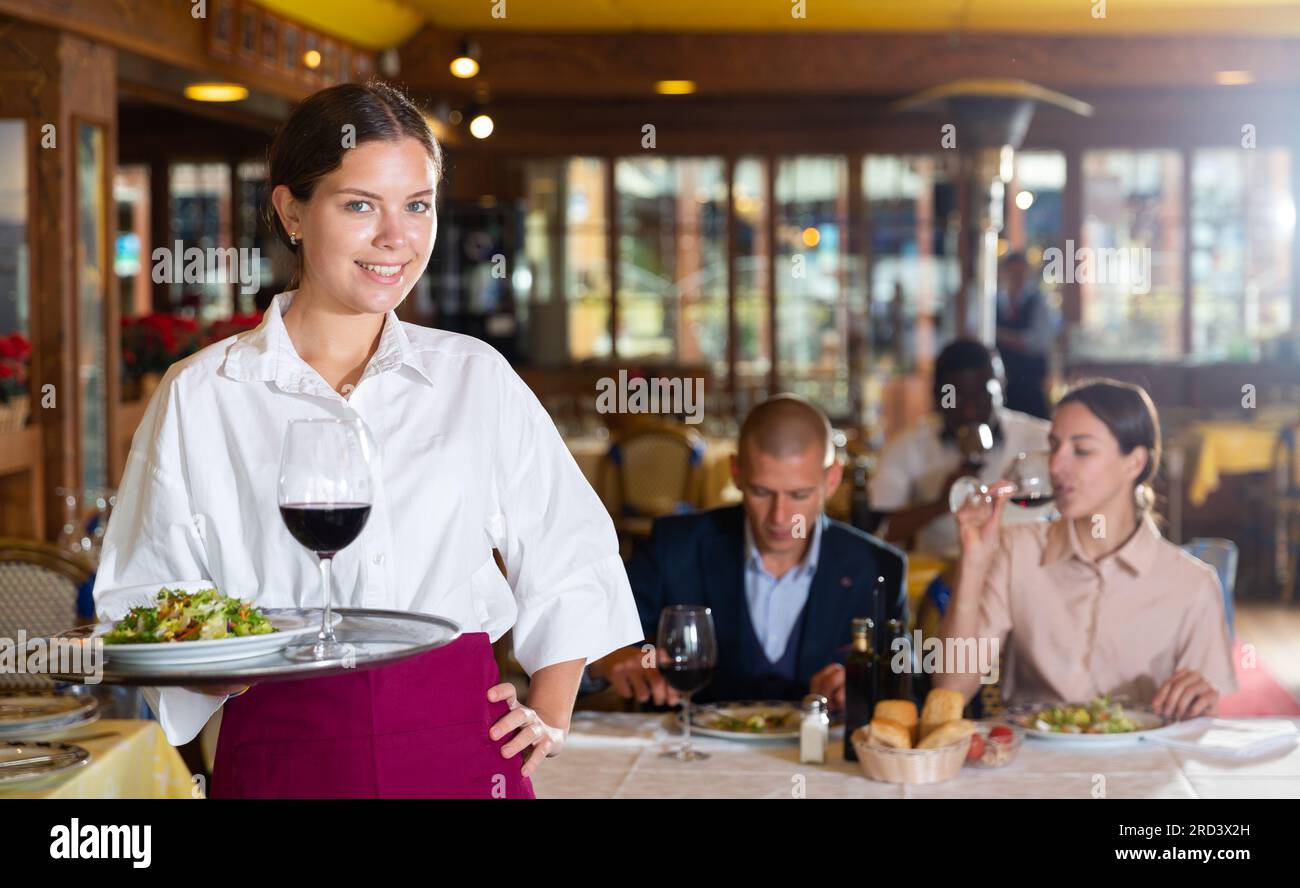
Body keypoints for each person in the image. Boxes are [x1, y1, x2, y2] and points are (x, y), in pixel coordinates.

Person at [92, 82, 643, 798]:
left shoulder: (474, 377)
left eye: (418, 205)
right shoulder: (203, 395)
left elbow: (570, 551)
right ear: (291, 210)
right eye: (360, 205)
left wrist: (551, 714)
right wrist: (225, 661)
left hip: (461, 743)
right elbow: (144, 592)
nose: (398, 237)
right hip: (283, 745)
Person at [586, 395, 908, 712]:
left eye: (799, 494)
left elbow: (906, 689)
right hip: (691, 758)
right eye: (761, 492)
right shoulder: (676, 546)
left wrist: (865, 685)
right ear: (737, 472)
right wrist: (607, 660)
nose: (780, 517)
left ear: (832, 479)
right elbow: (585, 639)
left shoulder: (879, 568)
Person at [935, 379, 1236, 718]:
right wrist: (974, 562)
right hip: (1035, 764)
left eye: (1081, 450)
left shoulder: (1192, 585)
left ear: (1134, 463)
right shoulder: (1017, 549)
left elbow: (1203, 719)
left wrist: (1199, 698)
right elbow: (950, 689)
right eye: (1054, 446)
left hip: (1140, 765)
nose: (1056, 466)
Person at [868, 338, 1050, 556]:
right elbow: (879, 531)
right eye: (957, 398)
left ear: (1002, 389)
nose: (970, 411)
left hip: (1026, 570)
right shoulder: (906, 446)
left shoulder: (1042, 439)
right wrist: (939, 504)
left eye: (983, 396)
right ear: (938, 396)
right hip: (938, 577)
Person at [995, 251, 1060, 420]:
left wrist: (1002, 336)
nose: (1017, 277)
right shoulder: (995, 301)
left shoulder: (1038, 301)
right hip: (1003, 383)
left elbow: (1039, 342)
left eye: (1021, 273)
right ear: (1005, 273)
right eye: (1013, 272)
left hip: (1030, 383)